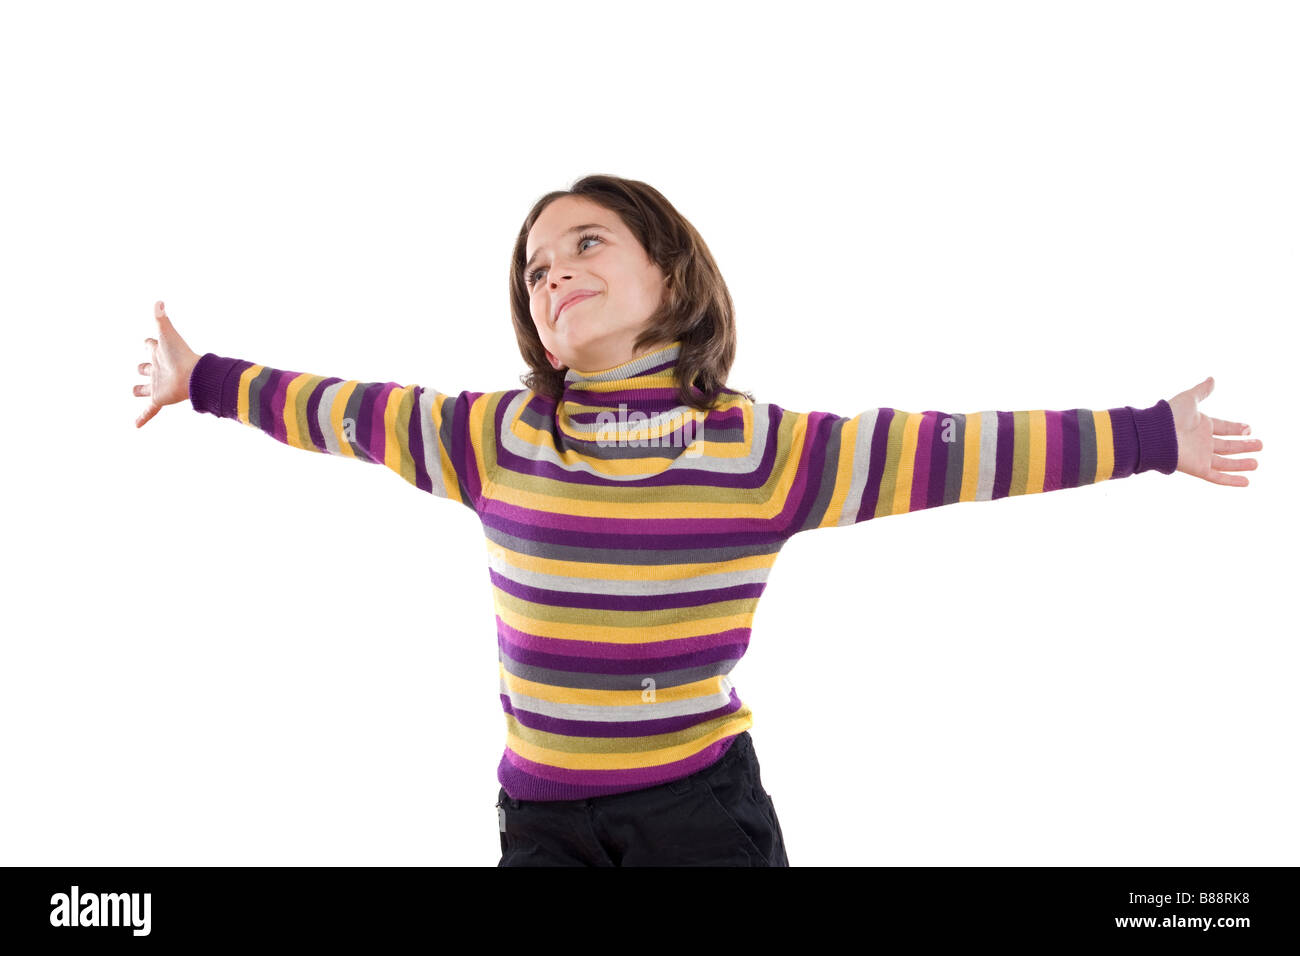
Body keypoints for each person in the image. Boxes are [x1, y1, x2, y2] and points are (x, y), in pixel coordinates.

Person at [133, 174, 1261, 867]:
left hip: (701, 815)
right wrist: (209, 376)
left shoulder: (762, 450)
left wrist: (1149, 435)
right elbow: (343, 410)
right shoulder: (493, 436)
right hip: (540, 824)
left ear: (670, 274)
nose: (553, 272)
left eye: (586, 244)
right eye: (533, 269)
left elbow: (954, 449)